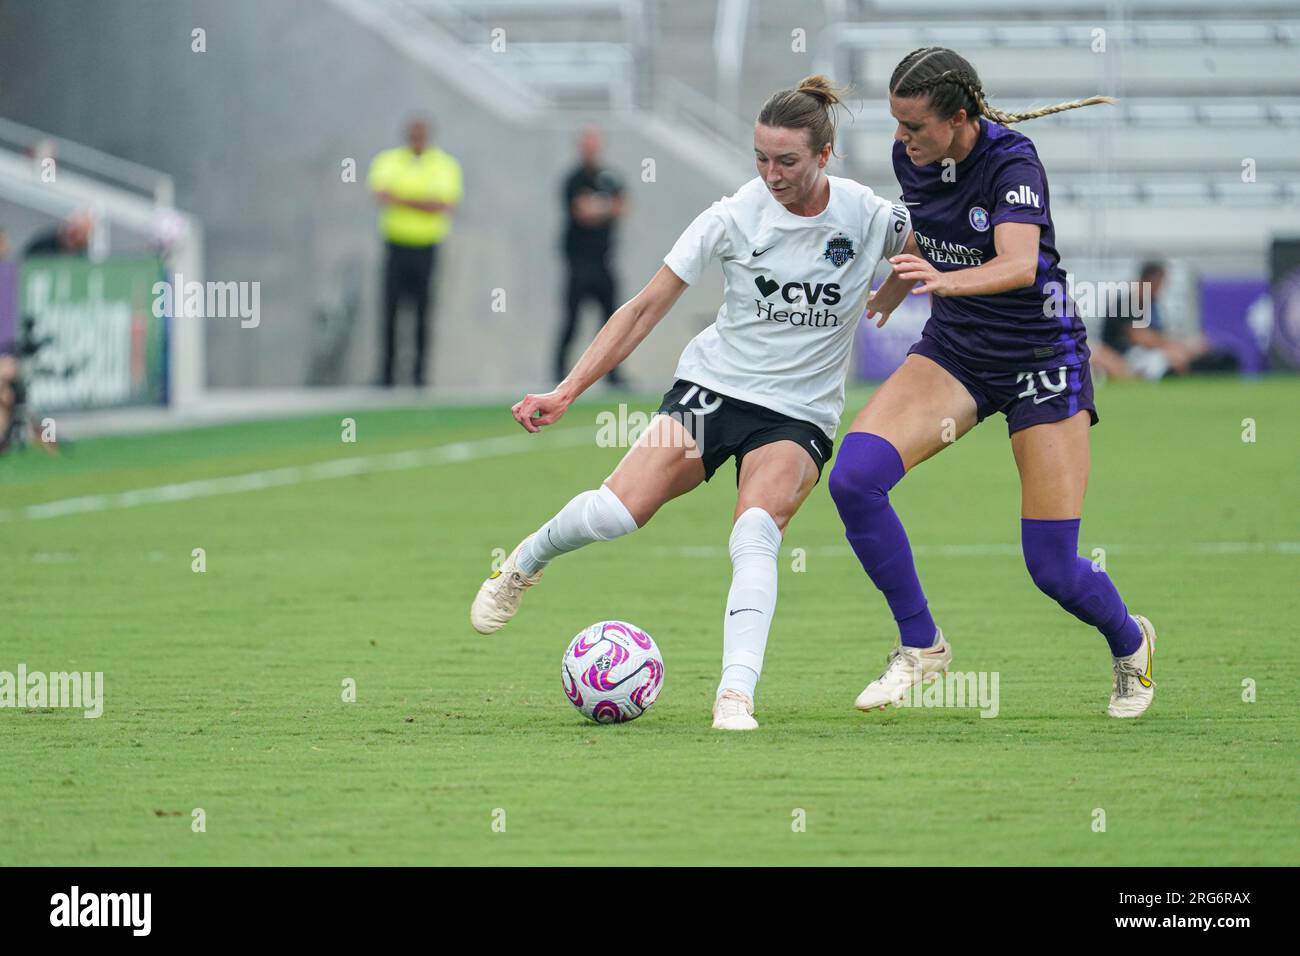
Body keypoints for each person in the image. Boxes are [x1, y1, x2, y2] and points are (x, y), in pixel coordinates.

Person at [470, 76, 913, 731]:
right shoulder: (733, 215)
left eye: (787, 161)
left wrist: (897, 288)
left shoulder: (868, 215)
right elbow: (645, 306)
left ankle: (735, 695)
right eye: (761, 158)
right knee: (618, 513)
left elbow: (931, 245)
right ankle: (523, 562)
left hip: (797, 415)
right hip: (715, 389)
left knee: (755, 534)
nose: (771, 174)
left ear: (825, 155)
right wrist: (568, 390)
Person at [830, 47, 1157, 720]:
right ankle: (921, 645)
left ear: (957, 119)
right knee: (853, 478)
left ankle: (1131, 643)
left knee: (1052, 568)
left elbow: (1016, 263)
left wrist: (945, 283)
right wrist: (896, 287)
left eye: (914, 125)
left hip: (1043, 358)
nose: (901, 139)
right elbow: (926, 235)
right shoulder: (912, 157)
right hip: (958, 352)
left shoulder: (1013, 162)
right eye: (896, 124)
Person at [367, 116, 463, 387]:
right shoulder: (388, 160)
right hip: (396, 245)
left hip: (426, 247)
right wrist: (422, 202)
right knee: (390, 311)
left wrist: (402, 199)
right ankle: (387, 375)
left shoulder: (444, 164)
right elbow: (381, 195)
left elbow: (443, 204)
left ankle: (419, 376)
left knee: (423, 311)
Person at [556, 127, 628, 387]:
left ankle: (613, 374)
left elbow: (623, 207)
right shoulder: (573, 179)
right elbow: (581, 212)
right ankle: (559, 373)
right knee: (571, 319)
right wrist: (605, 206)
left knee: (613, 320)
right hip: (578, 261)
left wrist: (598, 206)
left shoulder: (610, 177)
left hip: (603, 260)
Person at [1101, 261, 1238, 378]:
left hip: (1146, 353)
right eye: (1160, 282)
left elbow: (1157, 335)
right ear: (1149, 280)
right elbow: (1142, 338)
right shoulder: (1127, 303)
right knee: (1171, 360)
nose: (1161, 287)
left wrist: (1185, 344)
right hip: (1125, 357)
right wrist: (1178, 345)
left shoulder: (1152, 304)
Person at [23, 210, 92, 258]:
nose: (70, 231)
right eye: (70, 226)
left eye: (78, 233)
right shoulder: (42, 246)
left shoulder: (83, 258)